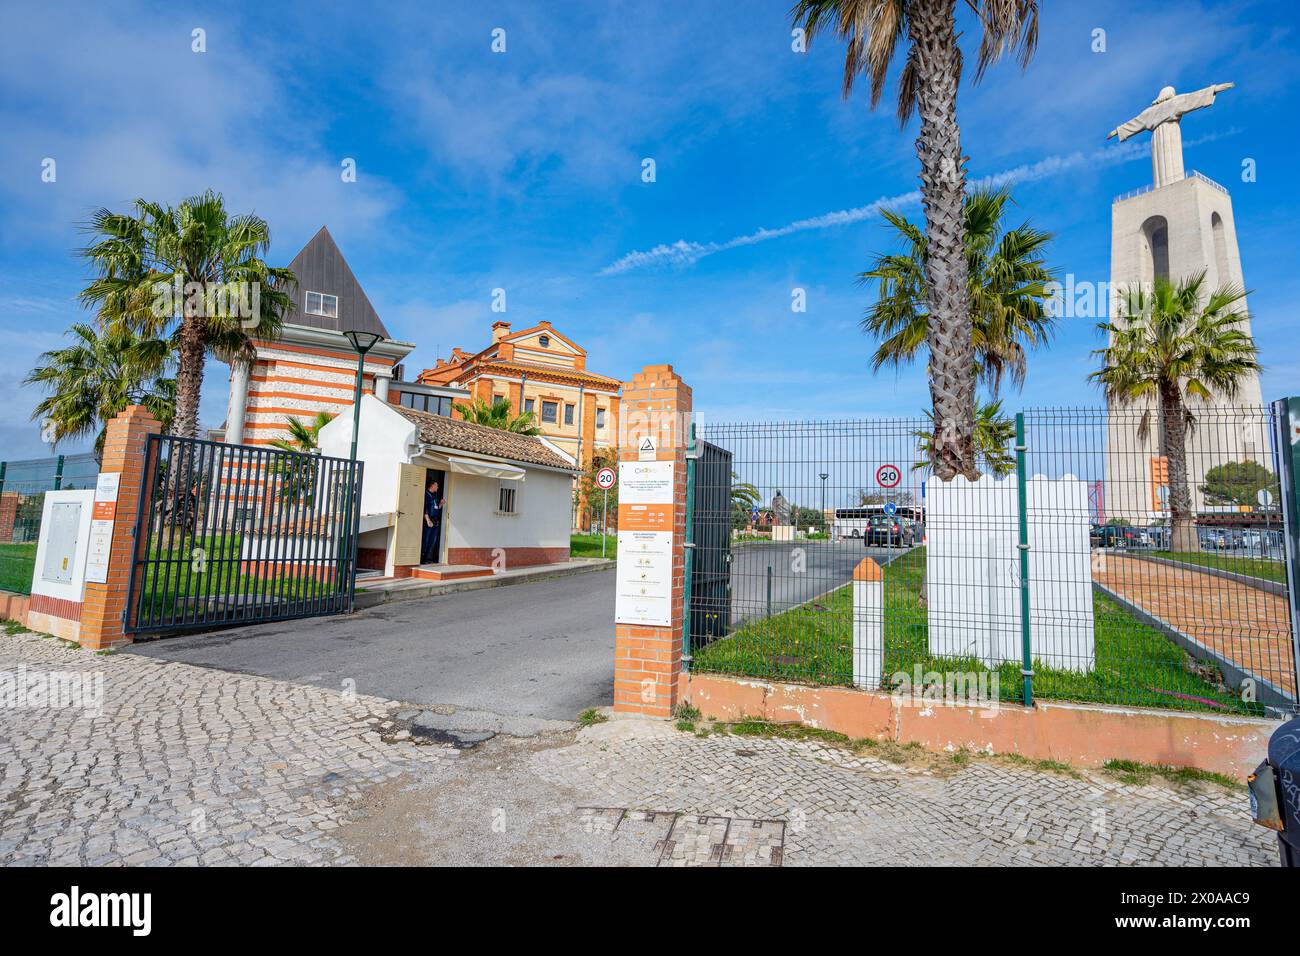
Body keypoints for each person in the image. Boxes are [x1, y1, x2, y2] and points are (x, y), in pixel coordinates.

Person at [421, 479, 444, 564]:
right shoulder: (426, 495)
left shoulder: (434, 495)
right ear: (432, 485)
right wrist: (428, 520)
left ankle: (427, 558)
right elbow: (425, 509)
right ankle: (422, 559)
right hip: (428, 521)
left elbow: (435, 508)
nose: (438, 487)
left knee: (432, 541)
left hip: (434, 521)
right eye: (436, 485)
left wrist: (441, 504)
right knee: (426, 540)